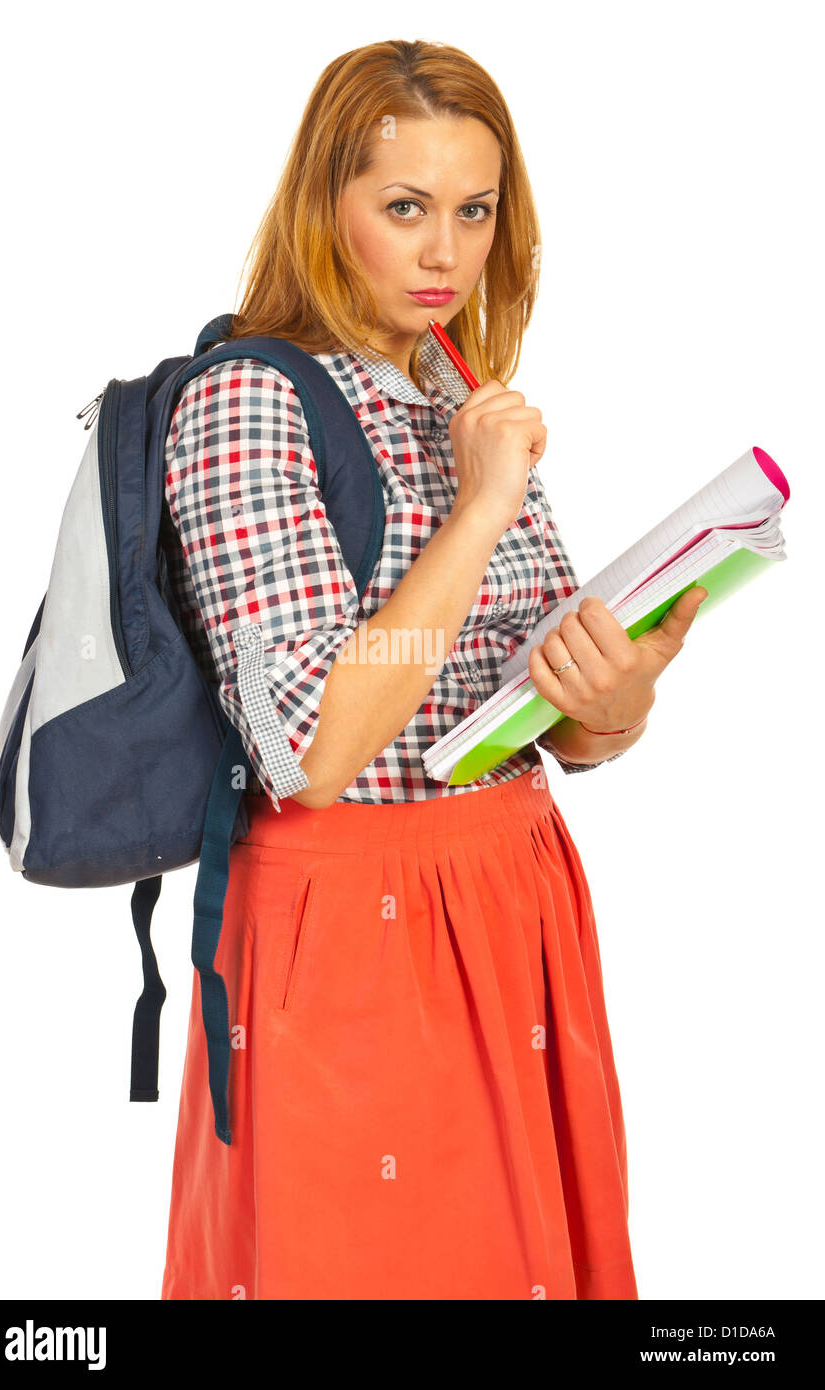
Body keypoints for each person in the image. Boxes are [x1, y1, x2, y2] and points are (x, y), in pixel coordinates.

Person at [159, 37, 706, 1301]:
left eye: (474, 210)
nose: (445, 252)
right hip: (348, 926)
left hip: (511, 903)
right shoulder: (250, 401)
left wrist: (615, 702)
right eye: (404, 209)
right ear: (324, 207)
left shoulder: (453, 387)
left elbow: (530, 711)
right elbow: (317, 745)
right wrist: (477, 508)